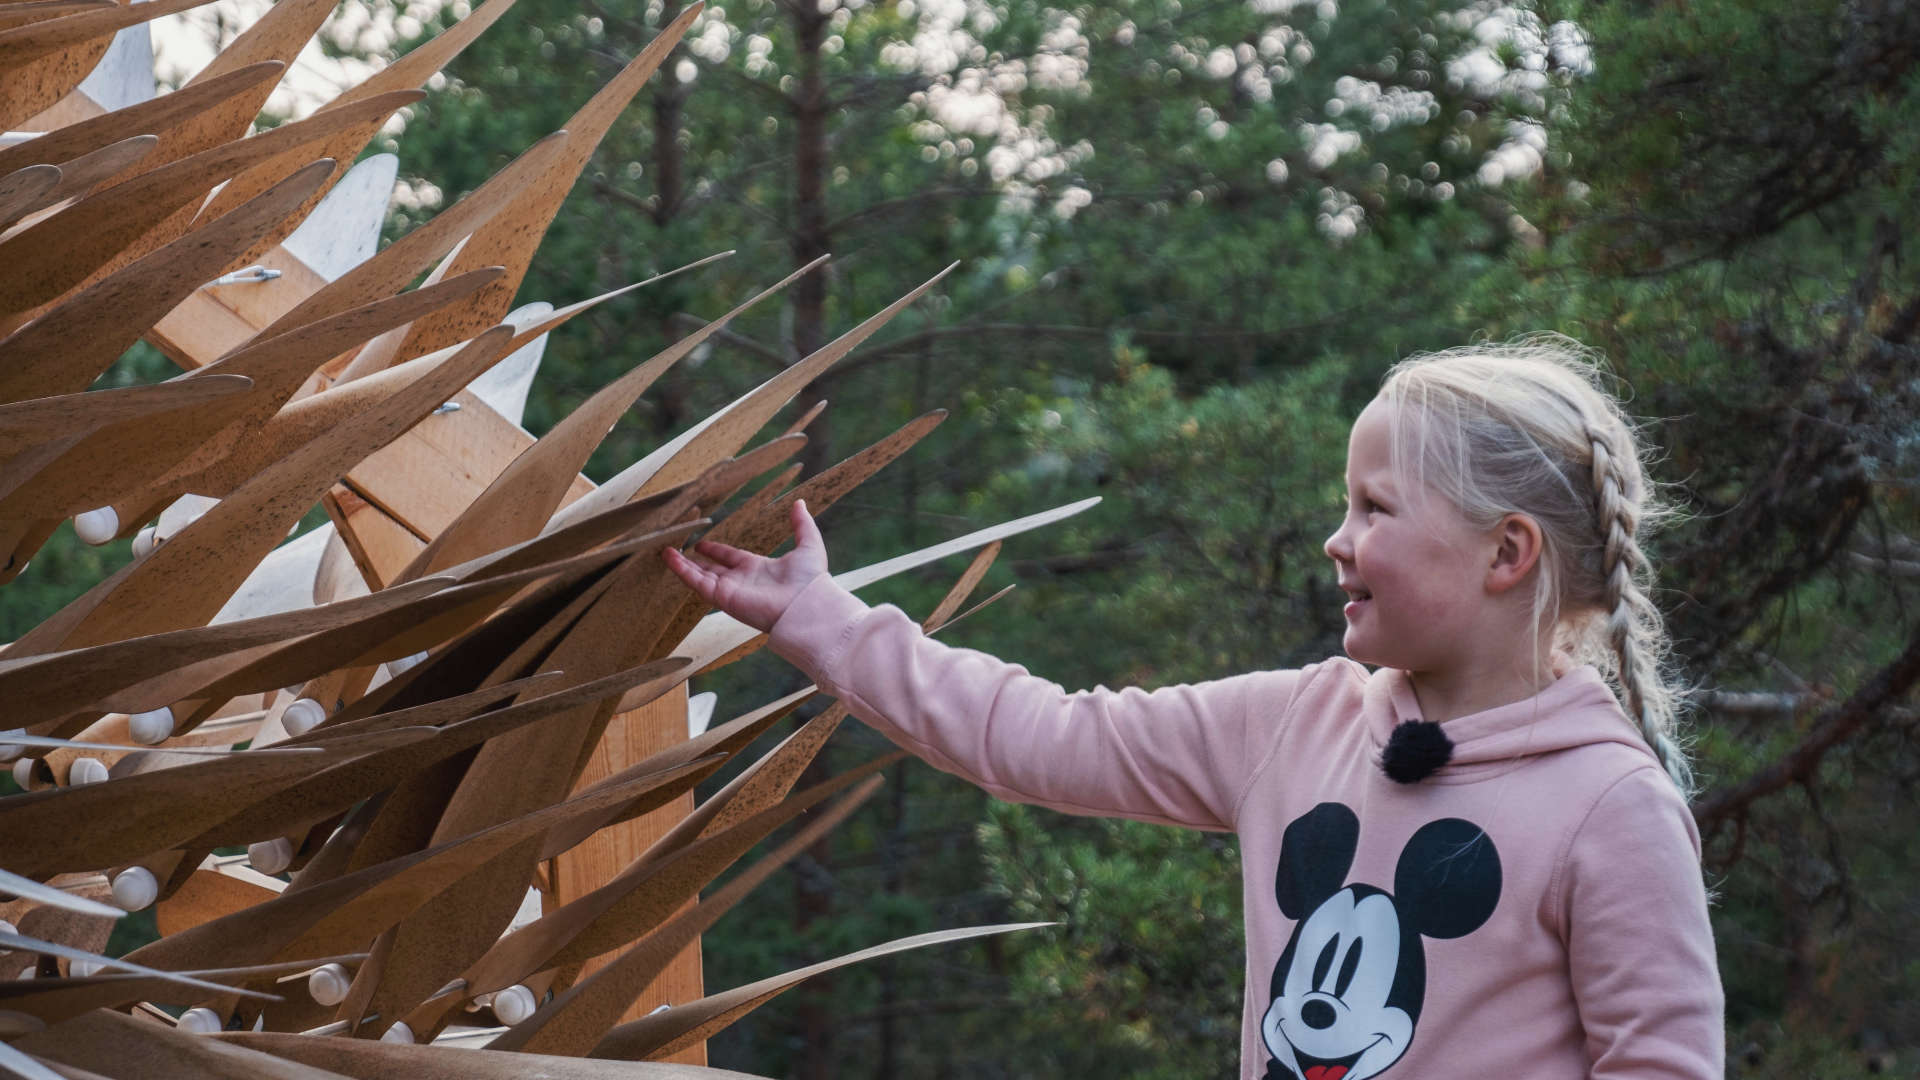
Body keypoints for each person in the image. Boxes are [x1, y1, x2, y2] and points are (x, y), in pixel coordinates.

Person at [663, 337, 1724, 1079]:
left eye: (1375, 508)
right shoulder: (1294, 728)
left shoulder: (1609, 807)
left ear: (1507, 552)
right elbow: (1038, 734)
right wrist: (824, 621)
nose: (1337, 538)